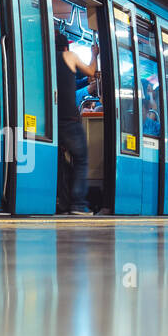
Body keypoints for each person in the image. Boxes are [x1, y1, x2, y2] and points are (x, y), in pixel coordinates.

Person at [55, 31, 98, 216]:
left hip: (50, 121)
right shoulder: (69, 55)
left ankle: (60, 199)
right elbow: (90, 71)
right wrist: (94, 54)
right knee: (81, 160)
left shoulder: (44, 58)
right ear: (66, 47)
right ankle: (78, 204)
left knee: (58, 162)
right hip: (70, 120)